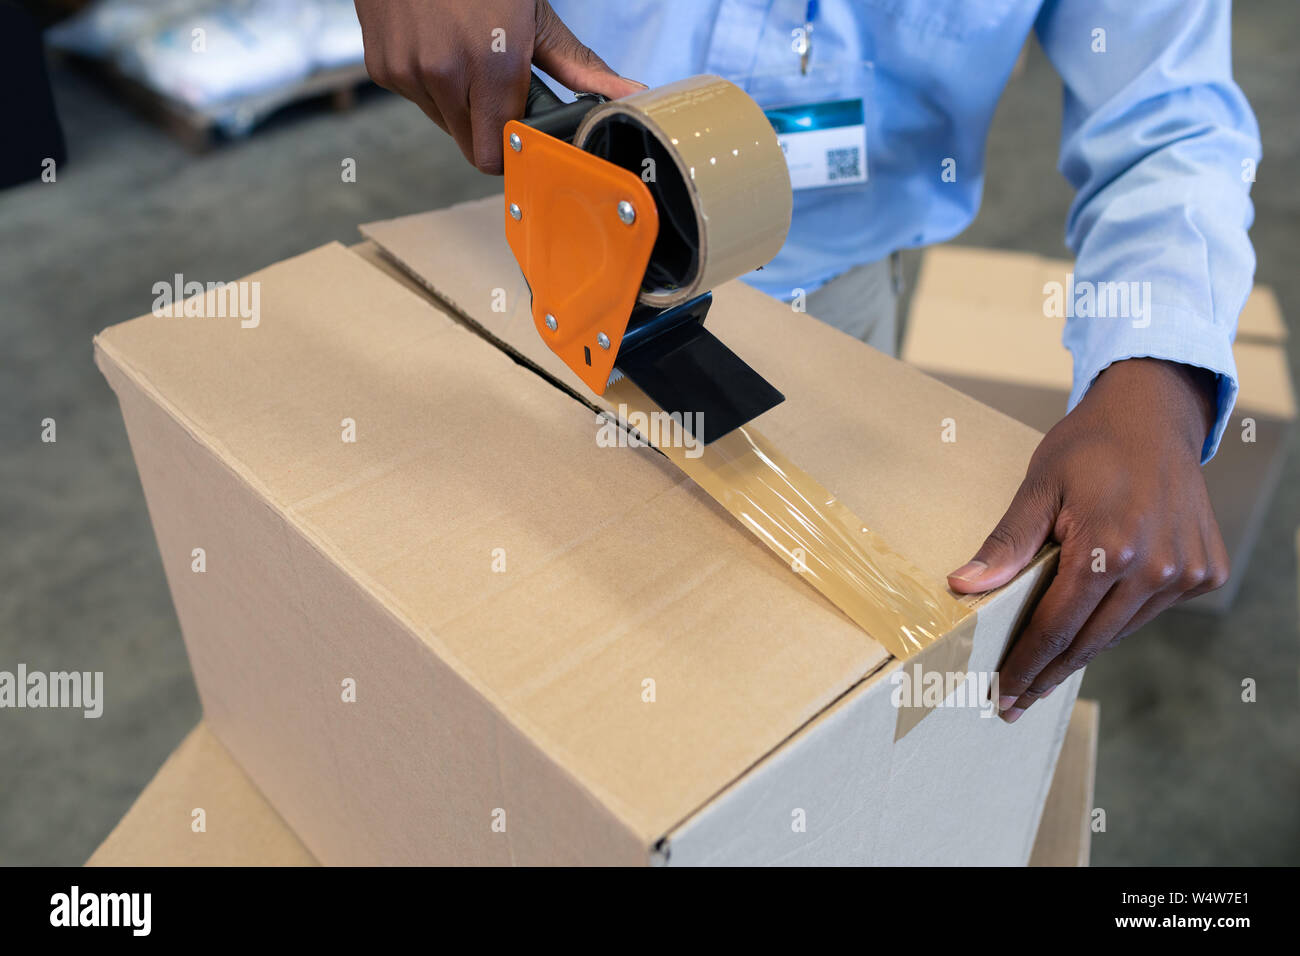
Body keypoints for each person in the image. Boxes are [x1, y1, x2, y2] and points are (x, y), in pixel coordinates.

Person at [353, 0, 1261, 723]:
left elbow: (1168, 123)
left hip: (839, 299)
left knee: (748, 671)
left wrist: (1158, 380)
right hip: (553, 227)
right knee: (512, 620)